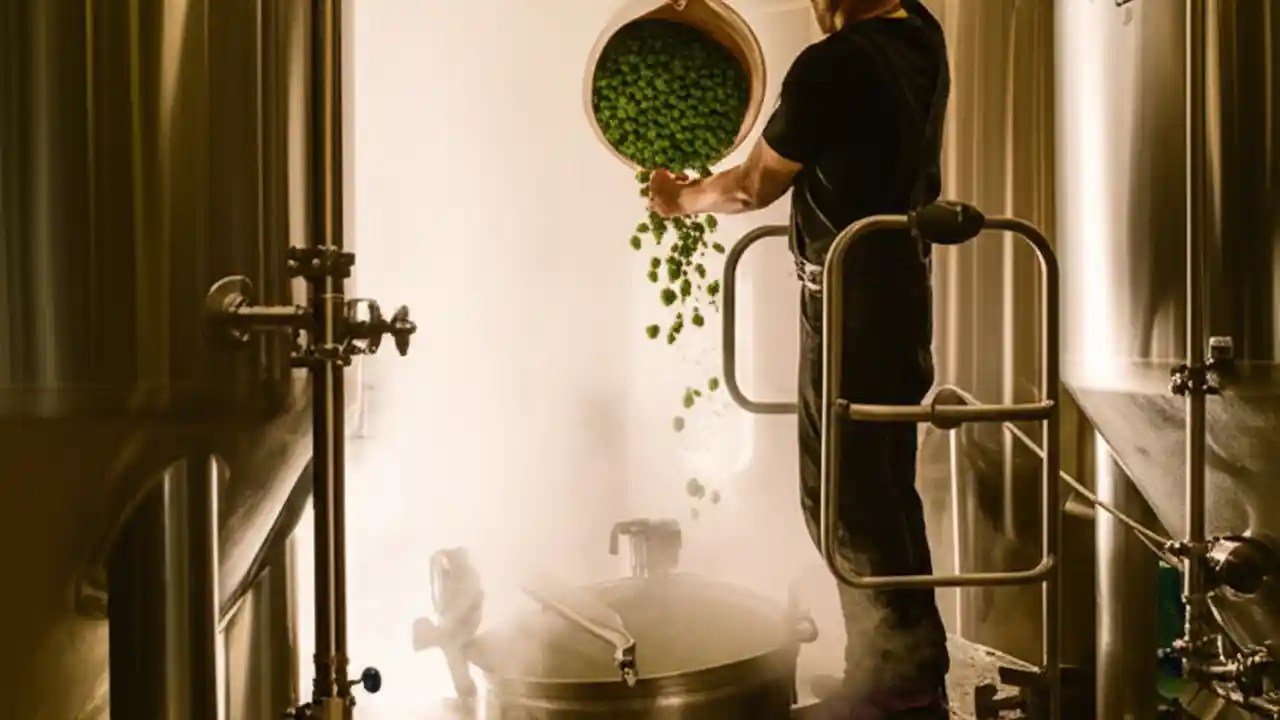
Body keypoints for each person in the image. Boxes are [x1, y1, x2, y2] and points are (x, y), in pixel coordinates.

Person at [647, 0, 951, 717]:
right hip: (903, 287)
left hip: (848, 301)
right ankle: (901, 668)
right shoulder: (922, 35)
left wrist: (679, 200)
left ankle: (894, 689)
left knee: (843, 498)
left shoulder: (831, 65)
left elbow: (752, 184)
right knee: (886, 487)